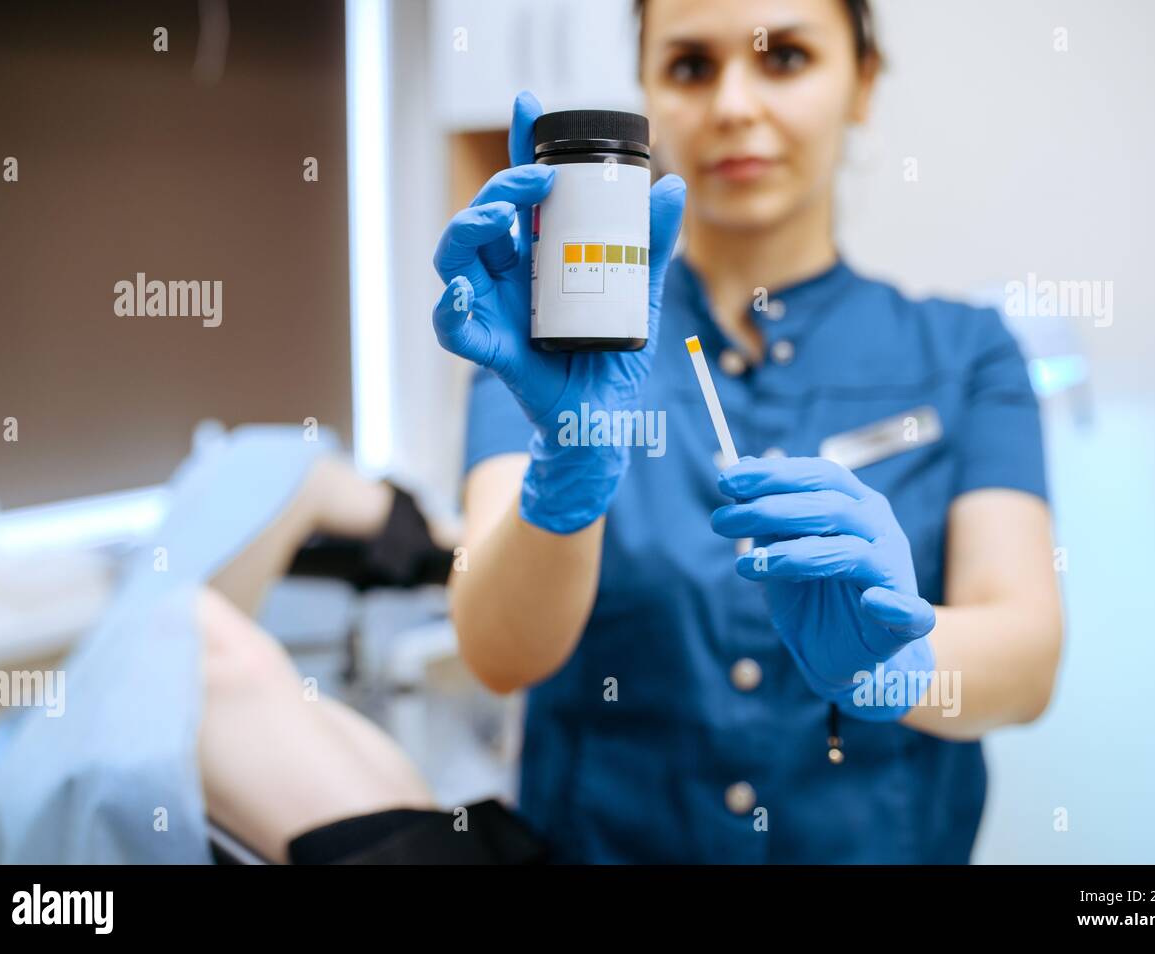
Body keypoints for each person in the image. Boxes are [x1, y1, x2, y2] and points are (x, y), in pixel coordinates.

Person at [431, 0, 1063, 863]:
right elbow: (497, 651)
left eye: (786, 58)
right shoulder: (559, 349)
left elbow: (1027, 659)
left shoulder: (965, 355)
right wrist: (567, 472)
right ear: (648, 86)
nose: (733, 104)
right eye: (691, 66)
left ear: (862, 82)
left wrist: (899, 662)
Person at [0, 445, 544, 865]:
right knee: (202, 643)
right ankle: (466, 551)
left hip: (16, 736)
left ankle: (468, 551)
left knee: (253, 466)